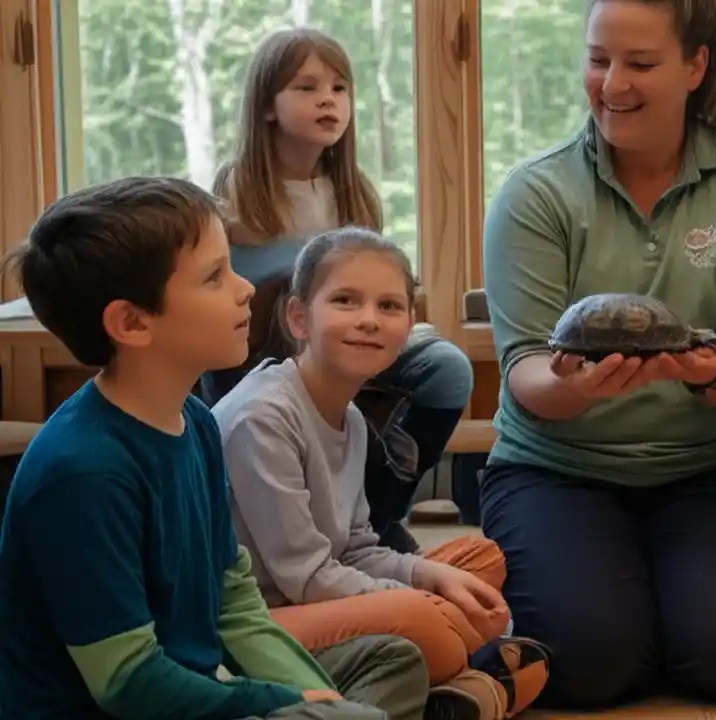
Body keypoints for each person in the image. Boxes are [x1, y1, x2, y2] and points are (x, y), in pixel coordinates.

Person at [478, 0, 716, 708]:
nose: (612, 84)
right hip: (555, 467)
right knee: (586, 668)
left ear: (696, 65)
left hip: (713, 463)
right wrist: (583, 387)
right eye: (598, 60)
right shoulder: (535, 192)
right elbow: (528, 373)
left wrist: (710, 369)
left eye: (640, 64)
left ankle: (664, 599)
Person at [0, 177, 431, 720]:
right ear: (132, 322)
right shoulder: (84, 472)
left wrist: (316, 699)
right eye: (214, 277)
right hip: (132, 707)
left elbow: (235, 604)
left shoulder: (196, 423)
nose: (245, 288)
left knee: (393, 661)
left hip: (202, 682)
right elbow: (127, 682)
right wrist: (287, 702)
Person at [214, 227, 549, 720]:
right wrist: (419, 603)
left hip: (316, 599)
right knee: (432, 624)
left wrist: (429, 574)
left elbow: (355, 545)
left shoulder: (350, 418)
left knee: (480, 564)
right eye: (346, 301)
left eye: (389, 306)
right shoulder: (263, 416)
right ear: (299, 317)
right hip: (255, 622)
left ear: (410, 323)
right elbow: (305, 576)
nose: (369, 320)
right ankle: (453, 687)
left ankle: (444, 690)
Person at [211, 27, 474, 550]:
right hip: (259, 359)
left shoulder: (357, 193)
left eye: (339, 88)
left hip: (337, 342)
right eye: (306, 88)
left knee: (448, 369)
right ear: (267, 106)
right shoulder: (234, 190)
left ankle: (375, 517)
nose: (328, 99)